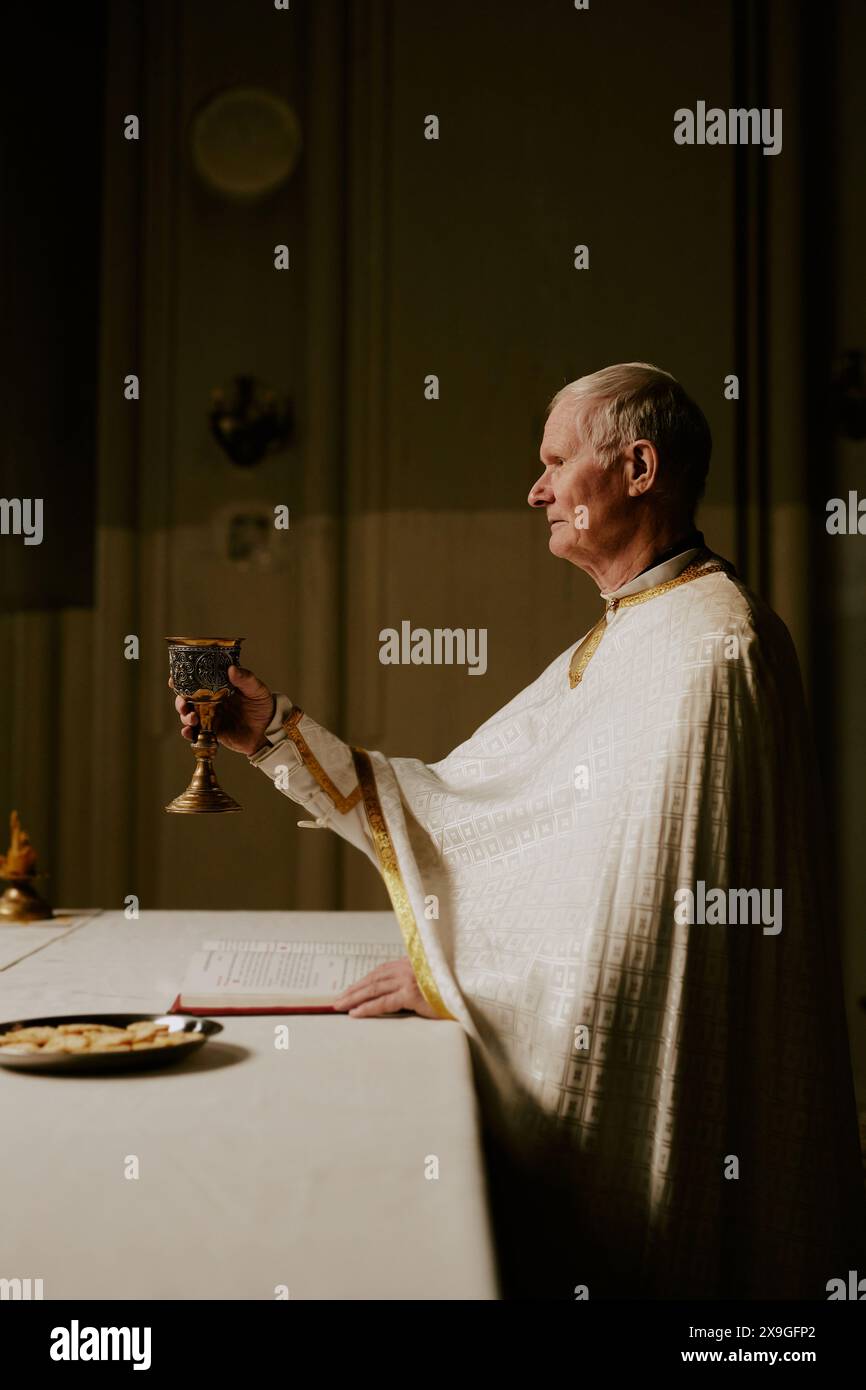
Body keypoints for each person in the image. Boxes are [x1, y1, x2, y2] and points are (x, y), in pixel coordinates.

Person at [172, 362, 866, 1299]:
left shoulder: (710, 648)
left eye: (554, 463)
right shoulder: (634, 627)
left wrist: (466, 984)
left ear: (639, 467)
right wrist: (270, 734)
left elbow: (651, 939)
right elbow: (466, 808)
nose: (535, 490)